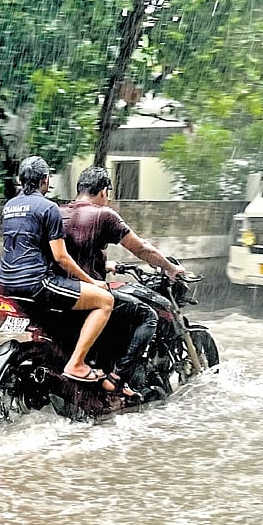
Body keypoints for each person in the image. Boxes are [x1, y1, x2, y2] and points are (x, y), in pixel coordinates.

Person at [60, 165, 185, 395]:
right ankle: (117, 379)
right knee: (148, 315)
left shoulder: (59, 212)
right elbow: (141, 248)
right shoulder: (103, 215)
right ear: (103, 191)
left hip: (62, 293)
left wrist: (104, 265)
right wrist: (169, 267)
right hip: (89, 295)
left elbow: (68, 252)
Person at [0, 155, 114, 384]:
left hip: (5, 284)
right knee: (105, 301)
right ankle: (77, 364)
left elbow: (26, 245)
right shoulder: (49, 208)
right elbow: (61, 257)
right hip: (36, 284)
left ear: (21, 180)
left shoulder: (9, 206)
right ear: (46, 179)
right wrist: (92, 281)